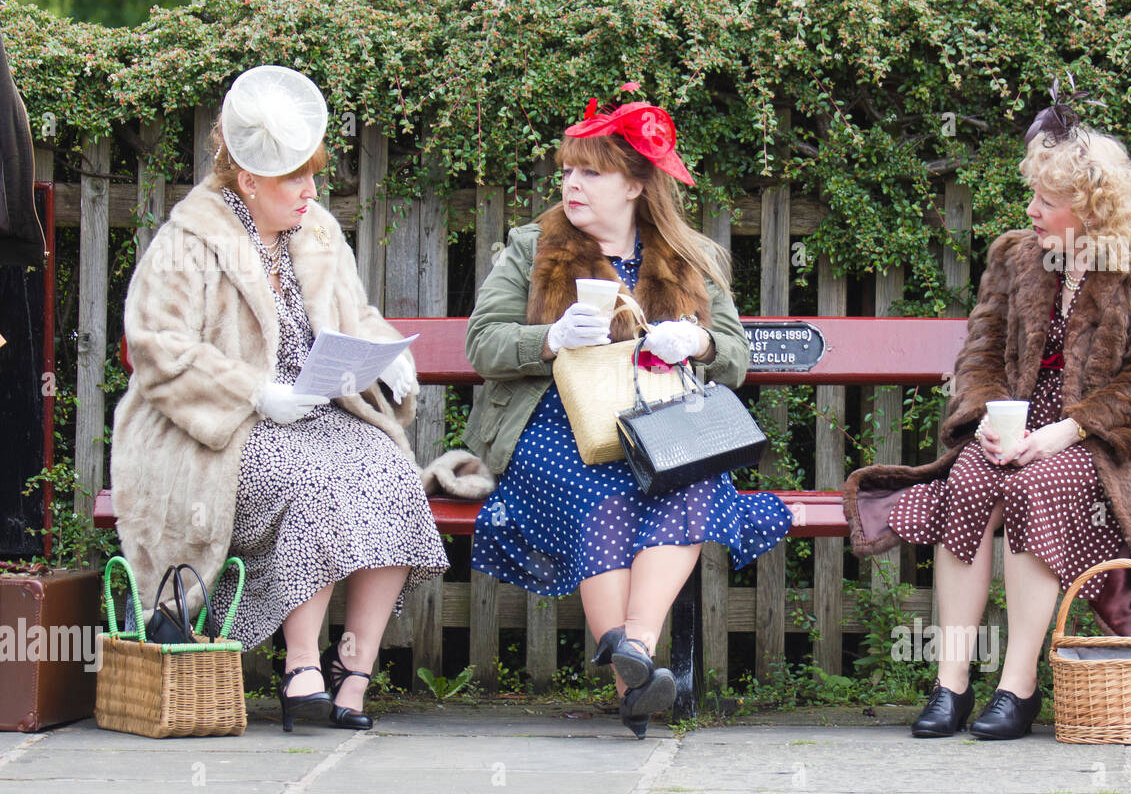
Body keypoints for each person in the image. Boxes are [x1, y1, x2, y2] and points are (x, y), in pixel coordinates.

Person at [842, 93, 1131, 740]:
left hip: (1106, 441)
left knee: (1034, 485)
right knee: (972, 482)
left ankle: (1018, 685)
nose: (1030, 211)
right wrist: (984, 415)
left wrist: (1069, 429)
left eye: (1045, 201)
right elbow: (980, 352)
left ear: (1092, 207)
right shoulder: (1017, 255)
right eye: (1031, 196)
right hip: (1017, 423)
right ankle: (951, 683)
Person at [111, 66, 452, 732]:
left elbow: (357, 315)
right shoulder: (189, 243)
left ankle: (351, 670)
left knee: (388, 473)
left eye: (312, 174)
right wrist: (255, 392)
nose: (311, 189)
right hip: (226, 430)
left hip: (320, 411)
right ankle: (301, 667)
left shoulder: (316, 232)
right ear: (248, 182)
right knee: (314, 479)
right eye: (295, 177)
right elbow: (157, 348)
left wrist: (391, 356)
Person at [464, 92, 792, 738]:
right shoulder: (533, 247)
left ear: (637, 185)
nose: (571, 184)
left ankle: (633, 653)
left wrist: (696, 343)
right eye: (567, 170)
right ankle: (635, 675)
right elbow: (483, 343)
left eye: (591, 172)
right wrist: (551, 338)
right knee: (602, 491)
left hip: (656, 432)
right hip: (553, 429)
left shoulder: (684, 256)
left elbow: (734, 355)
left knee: (693, 480)